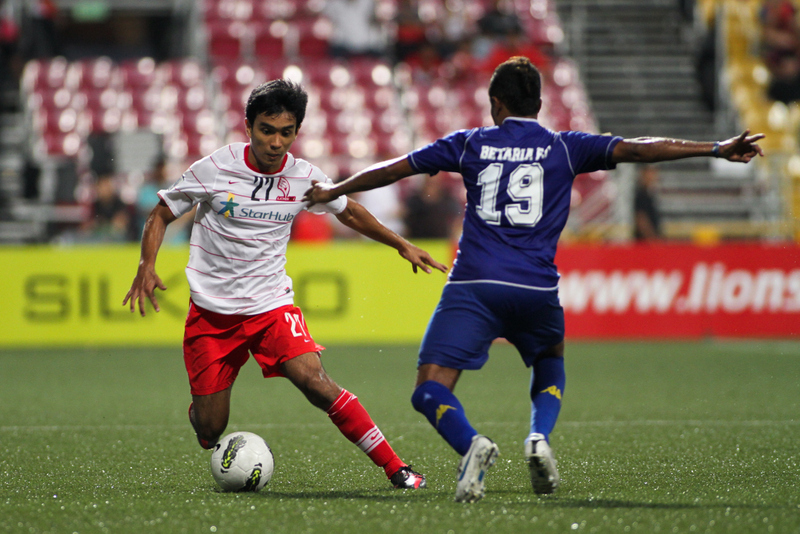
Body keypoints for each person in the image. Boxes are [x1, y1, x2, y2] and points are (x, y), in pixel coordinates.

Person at [304, 56, 765, 502]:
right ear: (540, 105)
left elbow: (395, 167)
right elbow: (638, 148)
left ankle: (471, 446)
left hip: (474, 285)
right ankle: (539, 437)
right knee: (549, 361)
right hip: (536, 287)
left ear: (496, 103)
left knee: (429, 389)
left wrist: (335, 191)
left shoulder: (469, 143)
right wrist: (716, 148)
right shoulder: (567, 146)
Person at [123, 79, 448, 490]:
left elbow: (349, 213)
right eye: (266, 129)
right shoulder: (215, 167)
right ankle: (202, 416)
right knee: (210, 431)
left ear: (296, 132)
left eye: (286, 132)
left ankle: (397, 468)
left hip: (271, 307)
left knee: (317, 383)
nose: (275, 142)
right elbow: (161, 213)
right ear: (248, 126)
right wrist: (146, 264)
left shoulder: (305, 178)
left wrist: (400, 244)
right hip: (211, 315)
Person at [633, 164, 662, 241]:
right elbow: (641, 220)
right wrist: (652, 240)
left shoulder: (649, 193)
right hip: (645, 244)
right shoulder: (641, 194)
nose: (652, 176)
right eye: (650, 173)